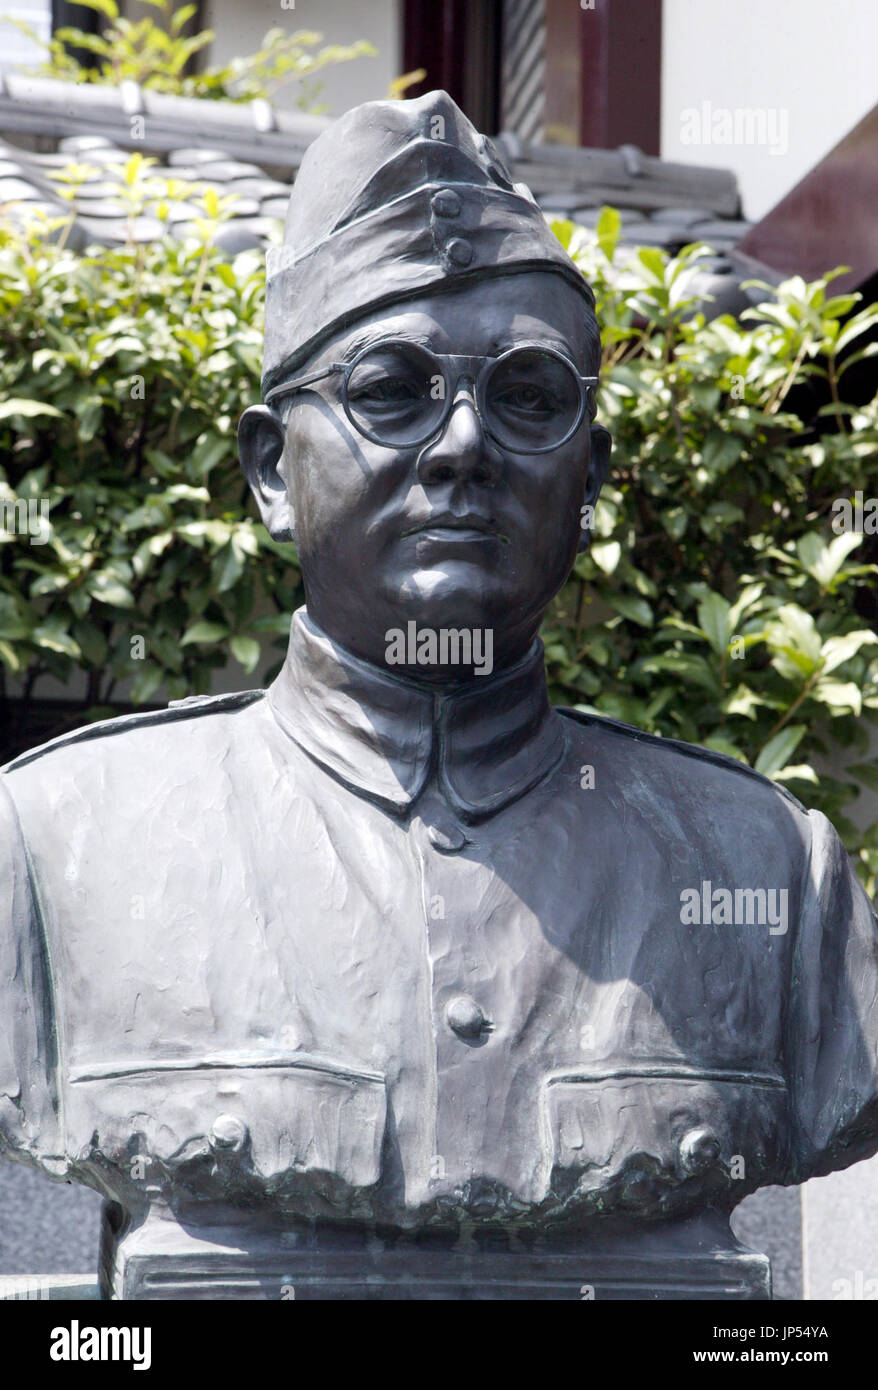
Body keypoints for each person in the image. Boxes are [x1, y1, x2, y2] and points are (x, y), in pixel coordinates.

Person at [1, 91, 876, 1301]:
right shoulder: (55, 849)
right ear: (269, 469)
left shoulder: (771, 873)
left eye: (525, 397)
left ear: (587, 478)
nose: (462, 444)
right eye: (390, 388)